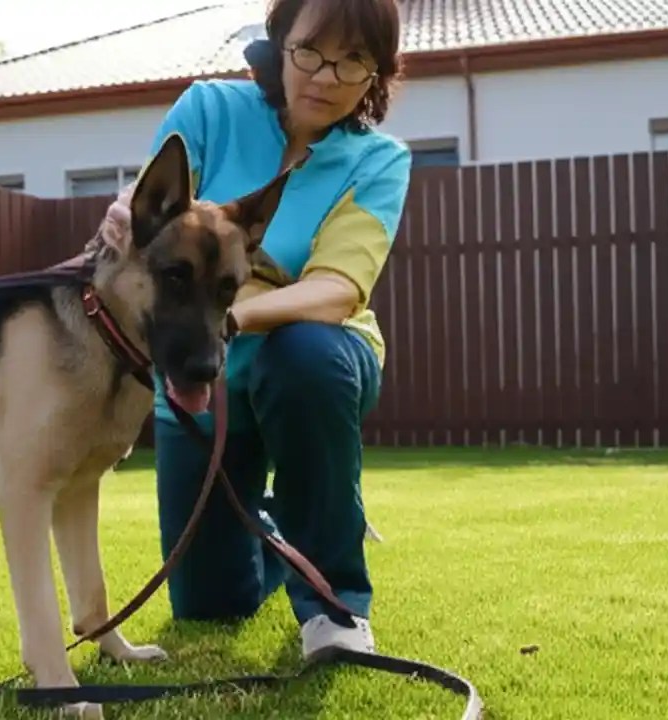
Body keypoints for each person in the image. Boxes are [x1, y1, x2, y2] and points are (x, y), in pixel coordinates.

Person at [97, 0, 411, 659]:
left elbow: (336, 291)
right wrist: (125, 218)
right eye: (311, 51)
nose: (327, 75)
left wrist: (230, 319)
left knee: (304, 356)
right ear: (278, 44)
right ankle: (281, 523)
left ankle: (336, 609)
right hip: (203, 383)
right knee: (209, 605)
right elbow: (154, 212)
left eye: (354, 60)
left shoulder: (378, 161)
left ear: (376, 74)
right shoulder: (208, 111)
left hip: (319, 359)